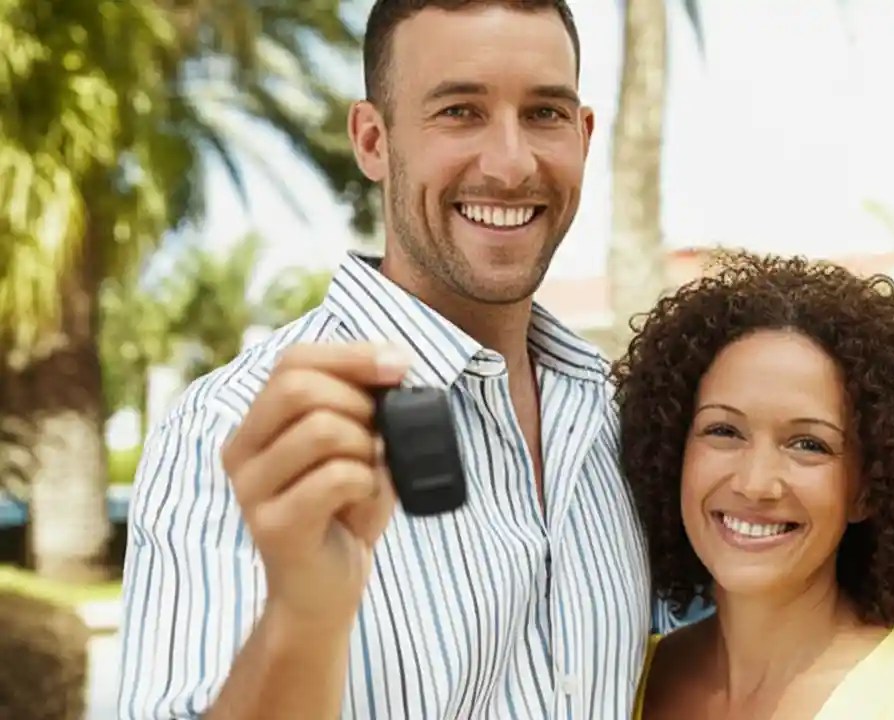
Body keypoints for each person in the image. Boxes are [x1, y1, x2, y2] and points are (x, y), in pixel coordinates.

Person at [116, 2, 657, 718]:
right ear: (373, 139)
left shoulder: (620, 421)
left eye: (544, 114)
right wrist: (303, 615)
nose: (510, 163)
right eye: (460, 111)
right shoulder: (226, 429)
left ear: (584, 135)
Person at [613, 252, 894, 719]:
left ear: (869, 488)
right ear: (672, 454)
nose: (755, 483)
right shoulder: (625, 677)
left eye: (808, 444)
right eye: (724, 431)